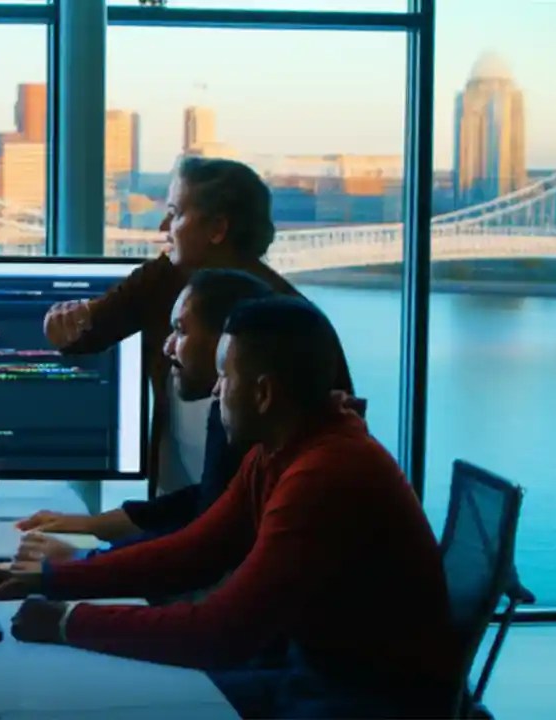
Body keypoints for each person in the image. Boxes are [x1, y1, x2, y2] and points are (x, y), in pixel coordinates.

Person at [0, 297, 459, 719]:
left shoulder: (324, 474)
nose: (215, 390)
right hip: (317, 678)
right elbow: (194, 552)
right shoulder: (282, 449)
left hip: (363, 705)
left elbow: (220, 634)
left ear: (262, 393)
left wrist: (66, 621)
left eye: (225, 377)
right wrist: (42, 580)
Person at [41, 156, 354, 499]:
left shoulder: (295, 328)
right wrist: (65, 320)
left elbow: (335, 445)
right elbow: (85, 332)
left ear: (217, 229)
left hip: (246, 520)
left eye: (175, 213)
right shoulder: (160, 280)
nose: (163, 226)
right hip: (176, 506)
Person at [17, 268, 274, 564]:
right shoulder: (237, 411)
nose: (166, 347)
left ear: (225, 341)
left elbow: (207, 550)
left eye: (180, 330)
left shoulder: (261, 433)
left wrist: (85, 560)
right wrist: (91, 526)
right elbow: (207, 503)